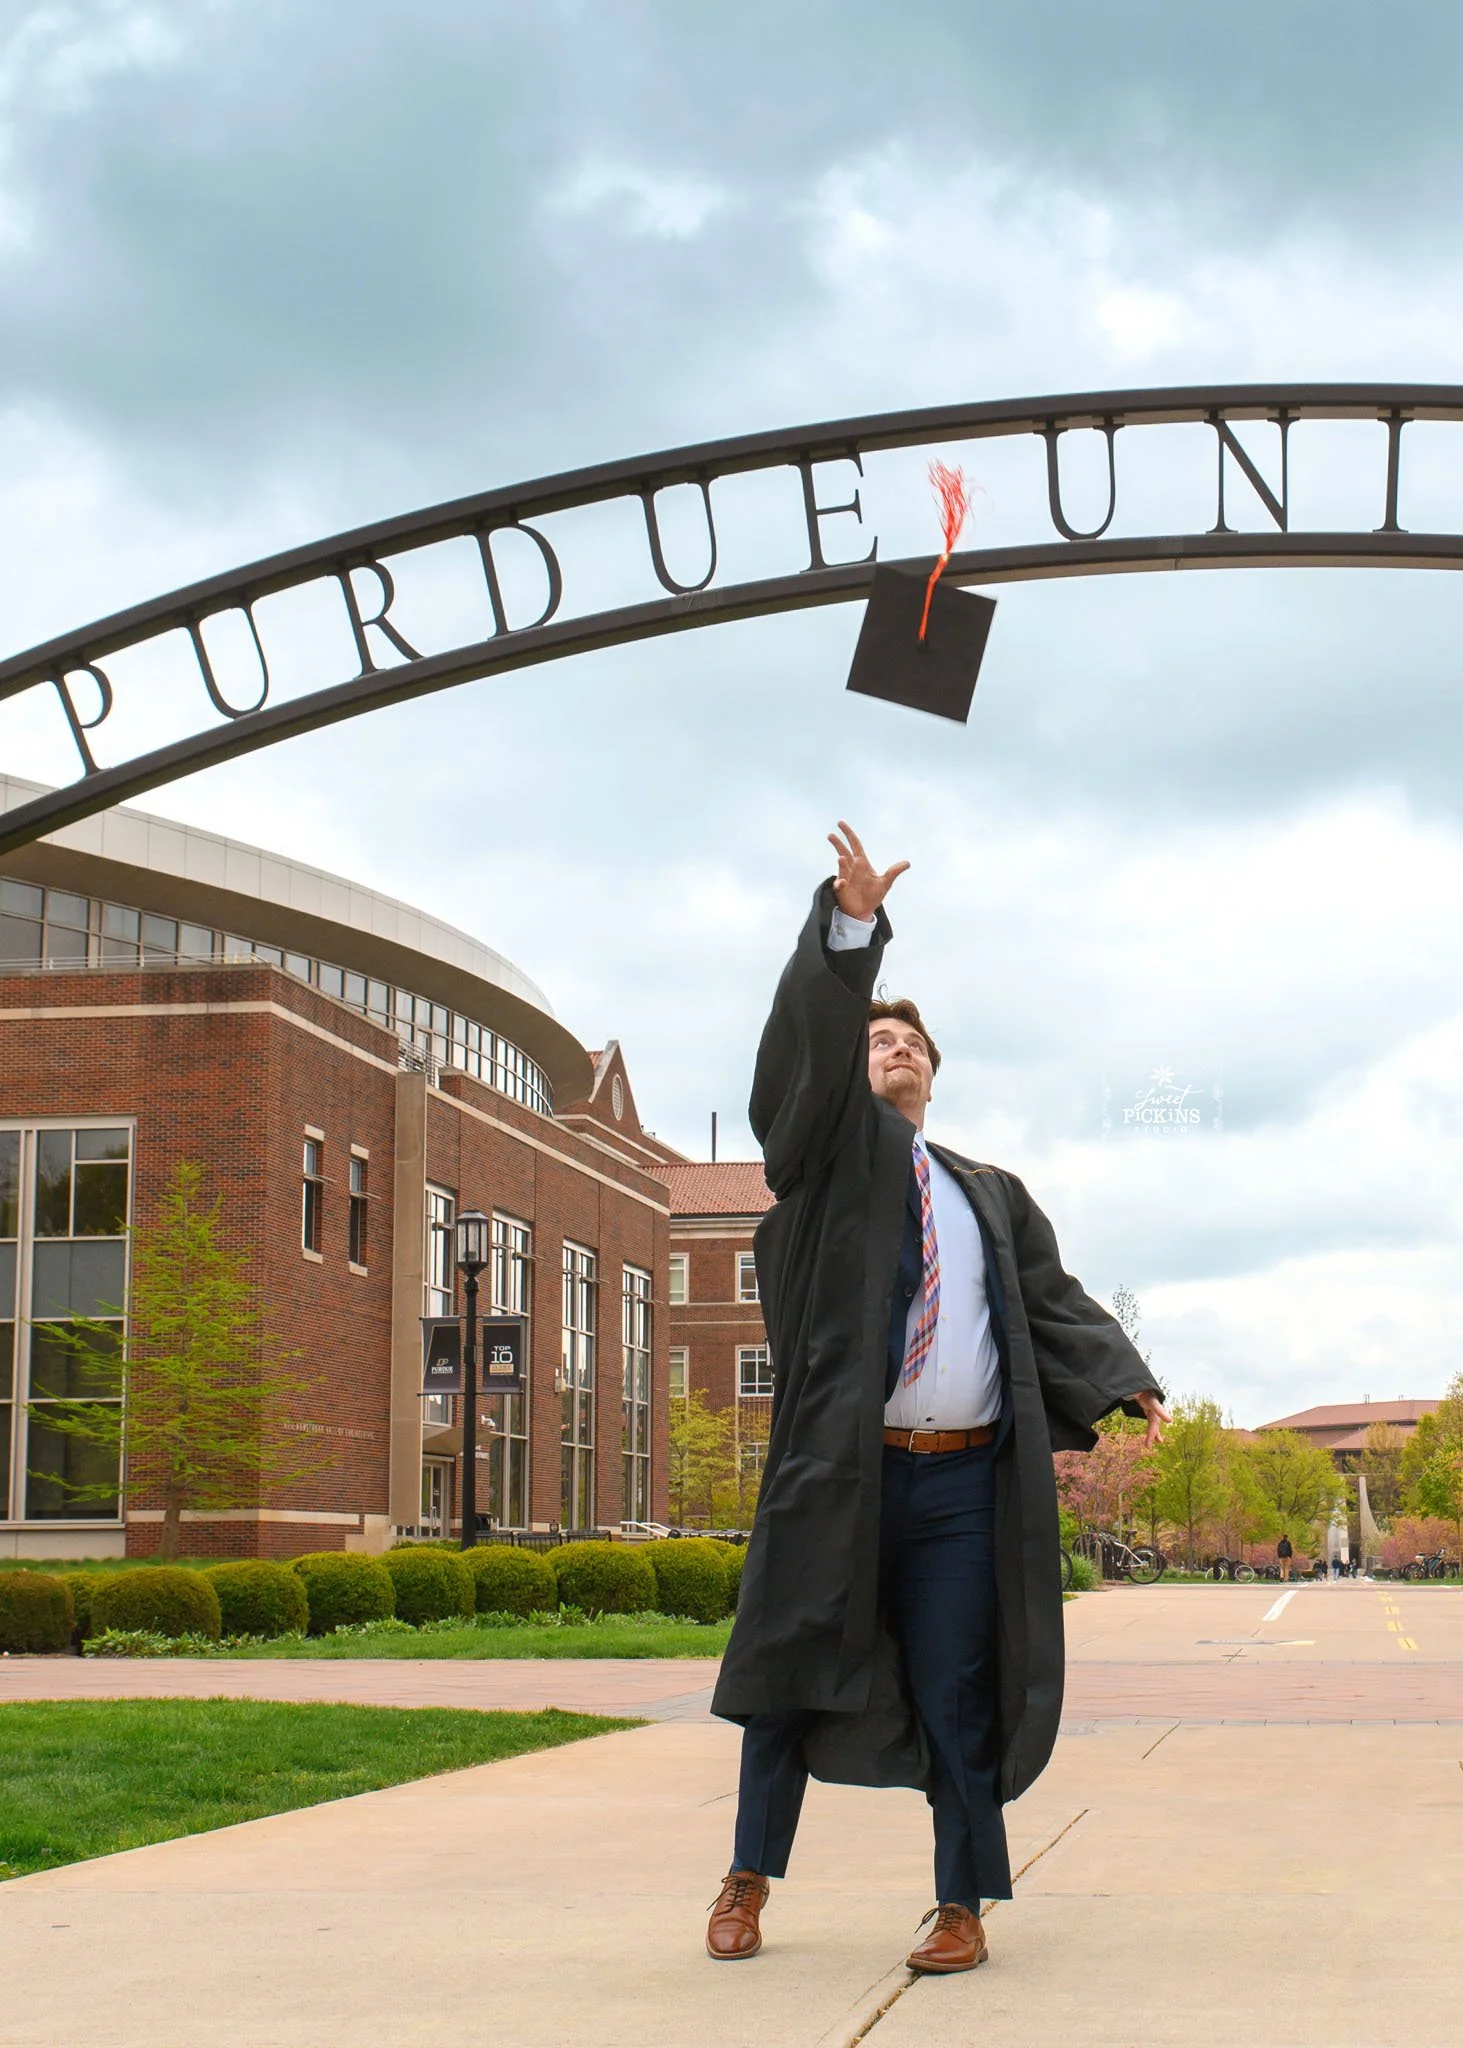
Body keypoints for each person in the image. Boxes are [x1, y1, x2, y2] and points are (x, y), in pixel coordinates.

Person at [707, 824, 1168, 1975]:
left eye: (909, 1038)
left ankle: (959, 1899)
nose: (892, 1045)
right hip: (842, 1471)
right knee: (786, 1667)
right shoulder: (822, 1164)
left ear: (933, 1069)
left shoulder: (985, 1192)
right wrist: (848, 934)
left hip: (960, 1477)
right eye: (873, 1035)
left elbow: (1048, 1301)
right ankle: (746, 1875)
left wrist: (1122, 1380)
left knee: (960, 1681)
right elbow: (798, 1066)